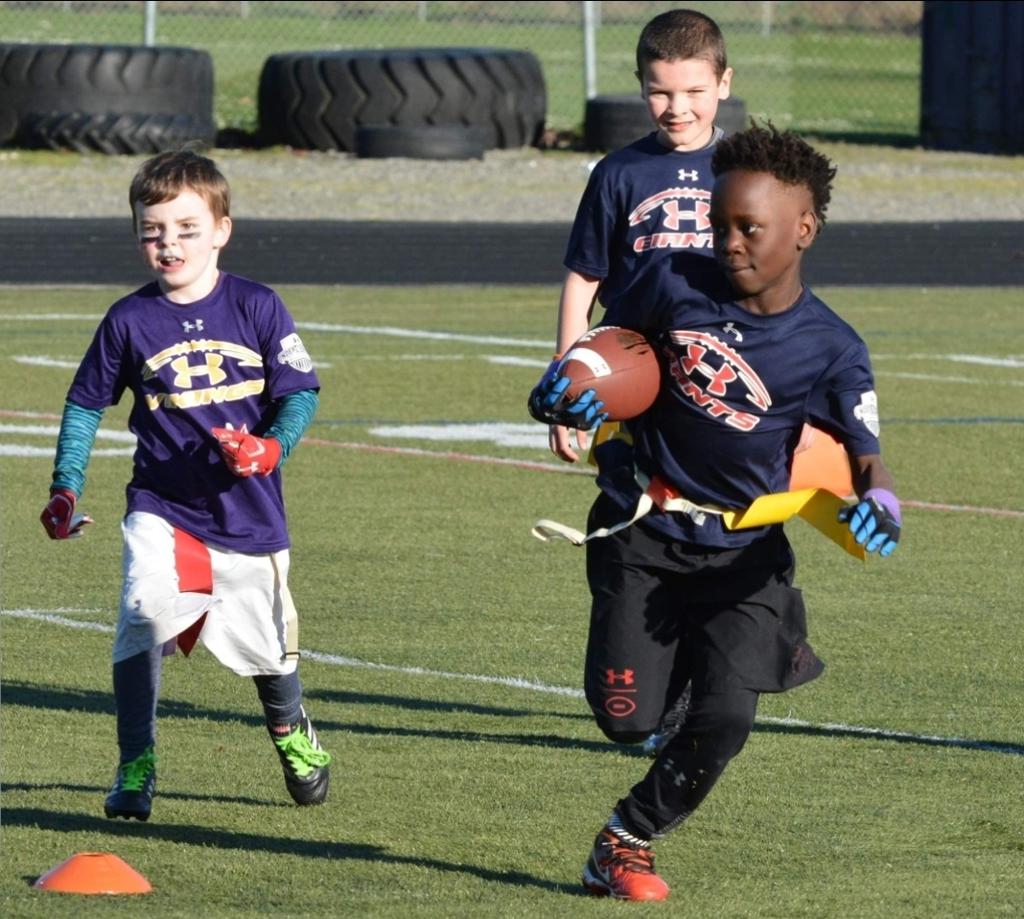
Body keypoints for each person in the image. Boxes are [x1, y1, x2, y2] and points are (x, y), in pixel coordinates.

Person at [527, 123, 902, 901]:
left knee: (727, 720)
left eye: (749, 228)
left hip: (744, 558)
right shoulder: (671, 280)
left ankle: (625, 841)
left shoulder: (832, 347)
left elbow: (866, 457)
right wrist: (571, 386)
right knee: (627, 719)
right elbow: (610, 345)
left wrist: (882, 505)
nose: (728, 242)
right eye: (720, 223)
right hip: (645, 532)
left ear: (804, 229)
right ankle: (679, 691)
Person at [39, 149, 331, 821]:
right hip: (161, 505)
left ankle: (292, 733)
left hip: (248, 511)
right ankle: (136, 762)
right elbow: (86, 404)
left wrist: (268, 447)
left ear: (222, 228)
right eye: (152, 230)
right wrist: (65, 486)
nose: (167, 242)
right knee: (141, 612)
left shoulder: (258, 305)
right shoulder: (127, 319)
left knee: (269, 647)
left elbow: (300, 395)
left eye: (186, 227)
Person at [552, 7, 734, 464]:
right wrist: (566, 374)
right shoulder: (618, 172)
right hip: (634, 361)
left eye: (695, 91)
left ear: (724, 83)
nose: (678, 108)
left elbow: (777, 285)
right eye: (661, 92)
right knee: (628, 496)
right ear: (641, 84)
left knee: (724, 495)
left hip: (724, 362)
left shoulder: (748, 170)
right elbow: (584, 279)